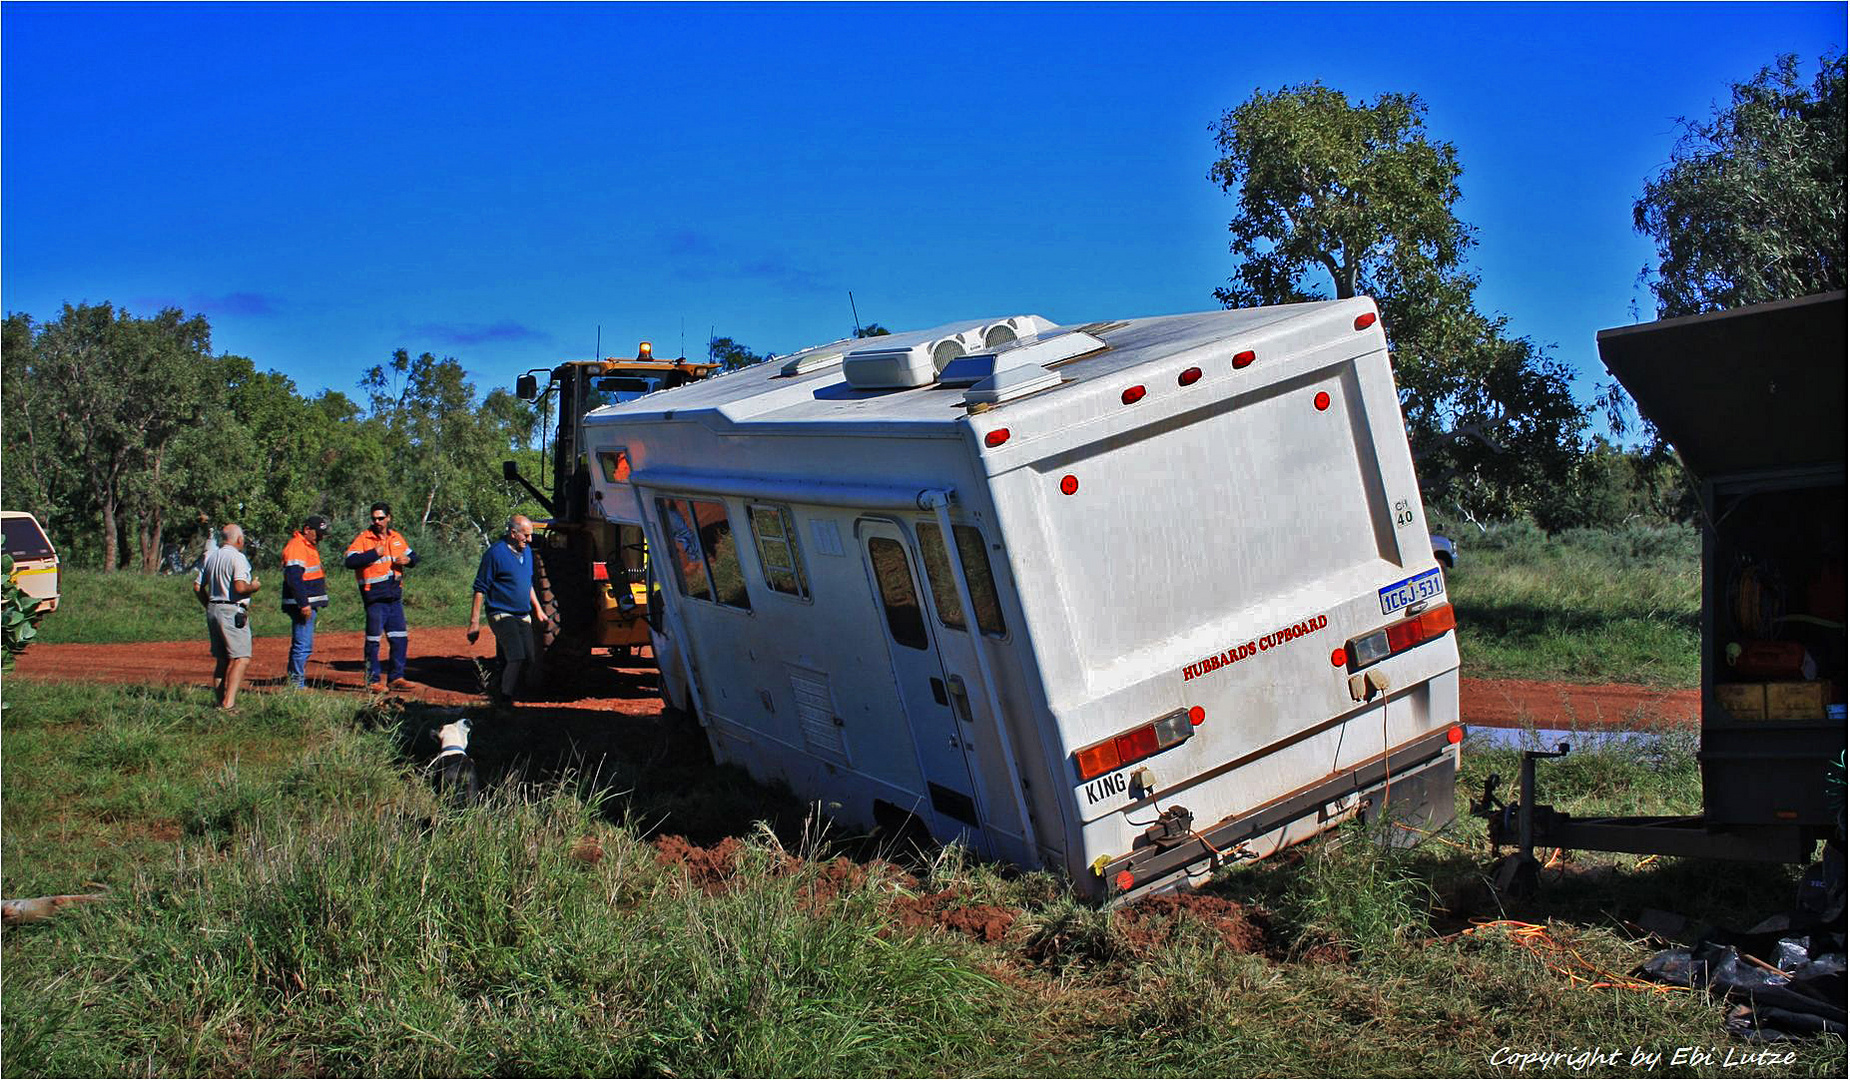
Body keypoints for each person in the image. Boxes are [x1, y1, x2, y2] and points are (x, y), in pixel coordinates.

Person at [466, 514, 550, 703]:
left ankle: (498, 684)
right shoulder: (495, 554)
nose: (529, 540)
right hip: (501, 613)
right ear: (513, 533)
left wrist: (538, 609)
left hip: (523, 614)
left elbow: (526, 583)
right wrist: (474, 623)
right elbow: (480, 589)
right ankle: (504, 699)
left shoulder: (527, 552)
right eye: (526, 536)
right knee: (516, 656)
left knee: (529, 657)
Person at [344, 502, 419, 689]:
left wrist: (408, 560)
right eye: (374, 518)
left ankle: (396, 678)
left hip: (394, 597)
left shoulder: (396, 538)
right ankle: (373, 681)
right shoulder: (364, 538)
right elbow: (350, 561)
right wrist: (373, 554)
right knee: (373, 641)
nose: (377, 521)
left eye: (380, 518)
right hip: (374, 598)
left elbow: (414, 557)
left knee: (399, 638)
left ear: (388, 518)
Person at [194, 523, 260, 712]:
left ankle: (220, 701)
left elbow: (197, 586)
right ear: (239, 539)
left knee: (222, 659)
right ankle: (228, 704)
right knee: (241, 658)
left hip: (214, 608)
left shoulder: (212, 556)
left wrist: (208, 604)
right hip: (232, 610)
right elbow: (240, 587)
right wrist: (254, 587)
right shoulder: (237, 558)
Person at [280, 514, 331, 689]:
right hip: (301, 604)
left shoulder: (307, 546)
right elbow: (294, 578)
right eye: (318, 533)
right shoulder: (297, 546)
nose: (320, 537)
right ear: (307, 530)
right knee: (302, 645)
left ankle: (296, 682)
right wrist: (304, 604)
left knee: (303, 644)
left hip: (305, 603)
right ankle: (296, 685)